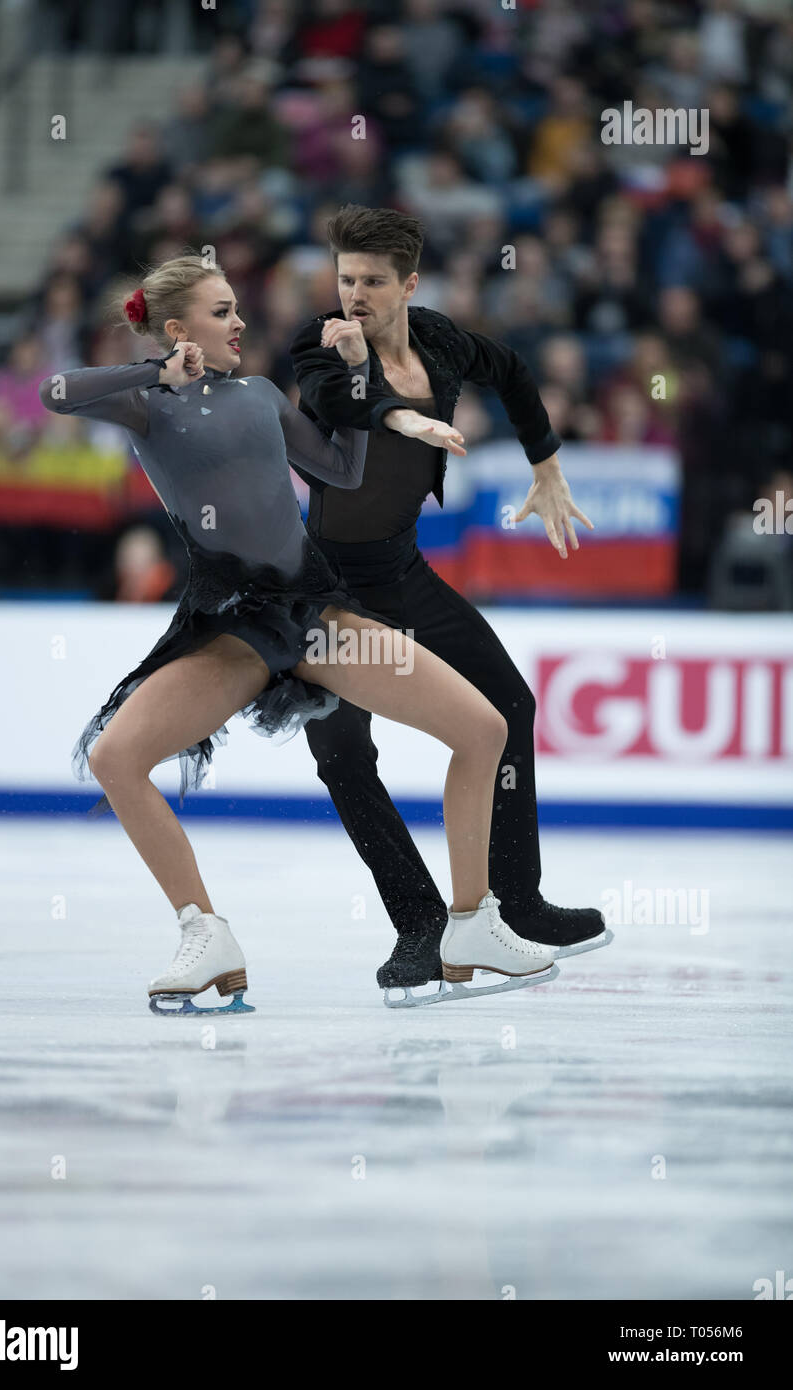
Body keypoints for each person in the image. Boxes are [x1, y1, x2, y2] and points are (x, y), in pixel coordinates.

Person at [38, 254, 558, 1013]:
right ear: (179, 328)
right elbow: (55, 393)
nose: (240, 322)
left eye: (236, 308)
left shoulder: (258, 395)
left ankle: (471, 923)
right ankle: (204, 932)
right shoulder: (148, 406)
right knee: (118, 756)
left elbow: (341, 470)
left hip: (315, 616)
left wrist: (358, 382)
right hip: (234, 627)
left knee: (482, 727)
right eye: (222, 312)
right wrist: (155, 375)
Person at [289, 204, 612, 992]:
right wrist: (391, 403)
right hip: (327, 590)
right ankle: (421, 924)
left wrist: (546, 466)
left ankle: (517, 903)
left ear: (410, 283)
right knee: (342, 757)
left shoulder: (442, 341)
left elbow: (514, 373)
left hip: (401, 573)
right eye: (344, 280)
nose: (354, 295)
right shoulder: (324, 345)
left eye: (371, 281)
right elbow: (331, 404)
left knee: (513, 707)